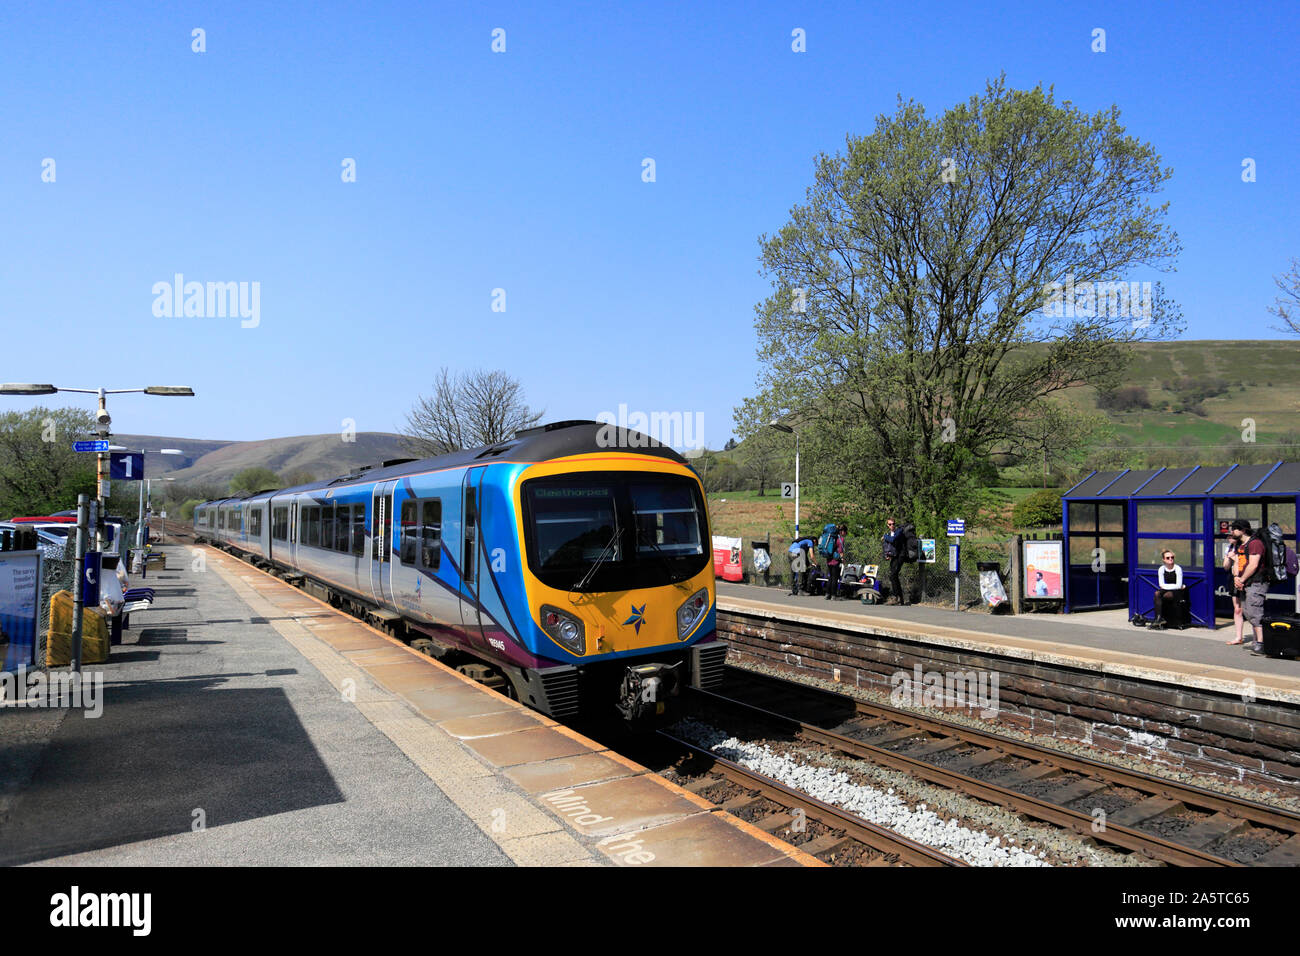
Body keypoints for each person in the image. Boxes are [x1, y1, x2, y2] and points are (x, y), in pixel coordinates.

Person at [1226, 519, 1268, 650]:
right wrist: (1237, 578)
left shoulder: (1255, 543)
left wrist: (1242, 579)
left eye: (1234, 529)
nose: (1232, 531)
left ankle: (1260, 643)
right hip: (1244, 583)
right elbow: (1238, 564)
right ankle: (1257, 641)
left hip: (1256, 582)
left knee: (1255, 611)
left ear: (1243, 530)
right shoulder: (1241, 545)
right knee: (1248, 612)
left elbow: (1253, 565)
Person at [1149, 549, 1185, 629]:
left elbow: (1178, 586)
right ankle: (1159, 618)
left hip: (1177, 592)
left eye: (1172, 557)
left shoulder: (1177, 568)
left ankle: (1160, 620)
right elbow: (1161, 584)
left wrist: (1168, 586)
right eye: (1168, 558)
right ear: (1164, 560)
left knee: (1164, 596)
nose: (1170, 559)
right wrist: (1173, 586)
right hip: (1167, 589)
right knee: (1157, 593)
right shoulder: (1161, 569)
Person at [882, 517, 906, 605]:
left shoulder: (899, 531)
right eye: (890, 524)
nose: (892, 526)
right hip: (894, 557)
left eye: (893, 524)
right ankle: (899, 598)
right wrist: (887, 555)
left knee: (893, 575)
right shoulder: (889, 534)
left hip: (901, 556)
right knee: (893, 576)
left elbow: (892, 540)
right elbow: (887, 546)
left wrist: (885, 536)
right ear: (887, 525)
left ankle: (896, 597)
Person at [826, 523, 847, 600]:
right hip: (835, 561)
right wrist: (843, 560)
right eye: (845, 532)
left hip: (829, 560)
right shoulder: (841, 539)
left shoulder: (831, 537)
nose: (845, 534)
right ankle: (833, 595)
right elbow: (841, 551)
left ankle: (827, 594)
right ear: (842, 531)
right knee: (835, 578)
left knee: (830, 577)